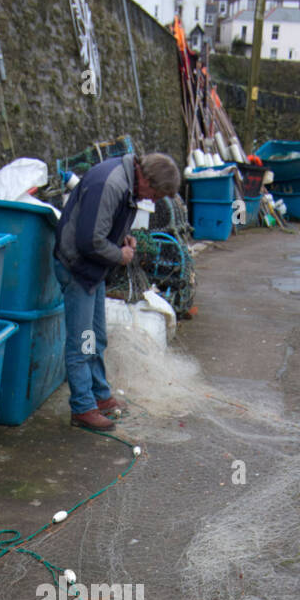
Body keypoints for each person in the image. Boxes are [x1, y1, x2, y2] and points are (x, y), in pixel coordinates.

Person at [54, 151, 181, 432]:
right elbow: (89, 240)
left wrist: (121, 236)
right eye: (156, 194)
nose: (153, 200)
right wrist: (120, 254)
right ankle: (82, 408)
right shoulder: (110, 184)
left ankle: (100, 395)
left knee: (97, 337)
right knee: (82, 341)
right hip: (77, 266)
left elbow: (100, 225)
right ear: (146, 178)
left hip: (94, 269)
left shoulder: (130, 182)